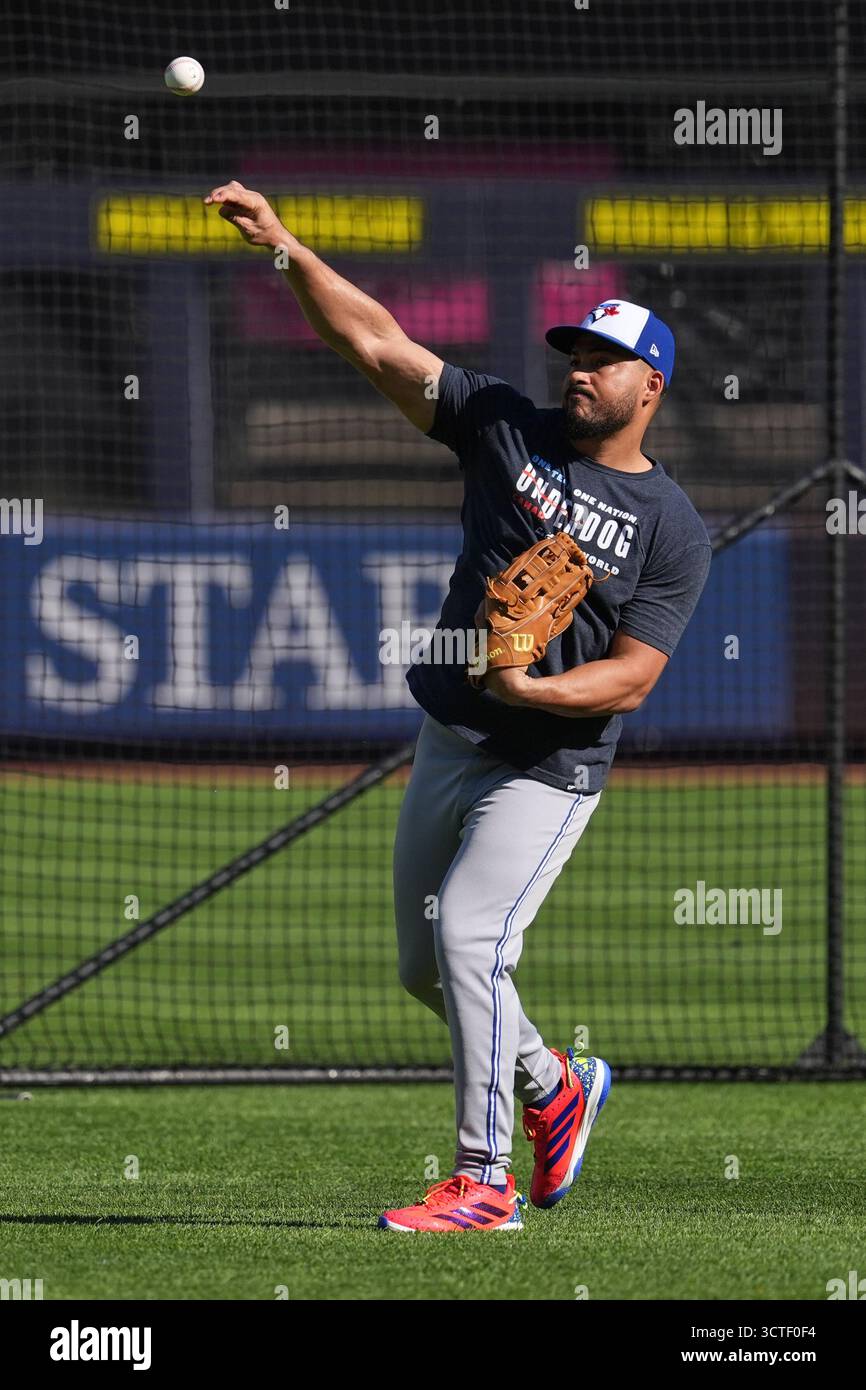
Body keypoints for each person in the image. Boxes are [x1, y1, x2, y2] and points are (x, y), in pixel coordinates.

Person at [206, 182, 712, 1232]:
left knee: (471, 941)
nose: (579, 370)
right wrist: (286, 245)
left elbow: (631, 676)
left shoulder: (670, 527)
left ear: (648, 385)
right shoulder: (503, 431)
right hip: (449, 734)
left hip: (548, 766)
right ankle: (554, 1088)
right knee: (422, 965)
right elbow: (383, 346)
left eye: (601, 359)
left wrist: (529, 686)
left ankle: (482, 1181)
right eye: (572, 353)